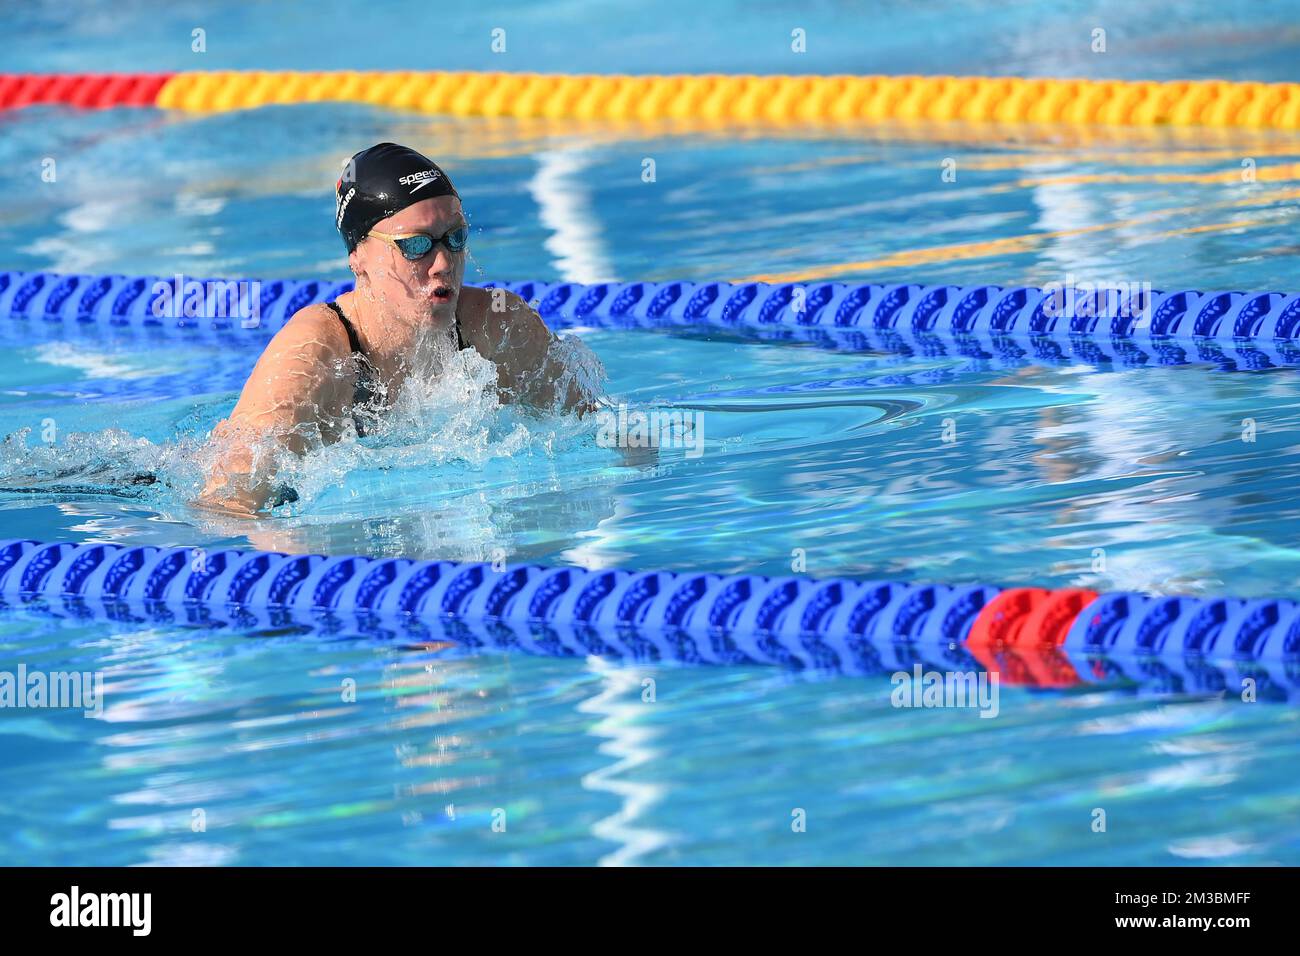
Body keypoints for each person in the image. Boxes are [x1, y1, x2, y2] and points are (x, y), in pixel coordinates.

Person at [197, 142, 598, 515]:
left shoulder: (499, 326)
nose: (443, 263)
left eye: (455, 238)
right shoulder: (314, 352)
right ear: (358, 256)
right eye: (415, 245)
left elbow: (595, 433)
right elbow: (226, 506)